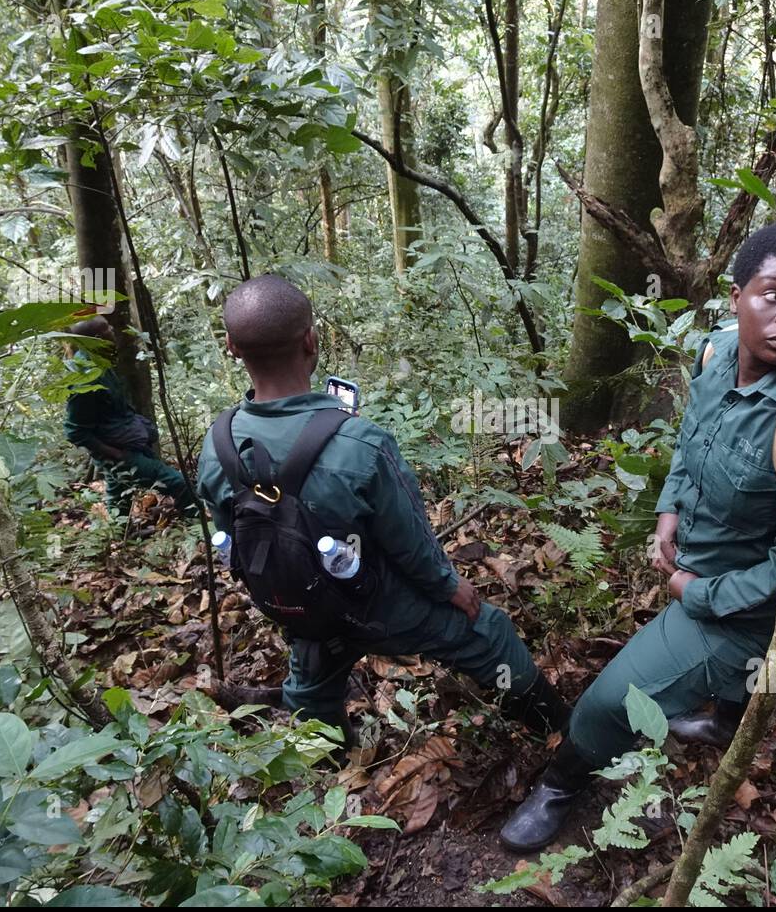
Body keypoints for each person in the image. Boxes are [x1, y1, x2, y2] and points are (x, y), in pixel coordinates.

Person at [500, 221, 776, 853]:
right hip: (702, 560)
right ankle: (722, 716)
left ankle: (560, 785)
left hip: (743, 610)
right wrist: (668, 511)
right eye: (772, 295)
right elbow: (693, 439)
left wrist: (691, 591)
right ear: (736, 296)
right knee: (696, 677)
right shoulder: (717, 351)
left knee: (608, 700)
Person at [195, 273, 568, 746]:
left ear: (231, 347)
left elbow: (230, 539)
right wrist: (451, 586)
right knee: (489, 632)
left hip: (296, 605)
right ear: (311, 340)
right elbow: (409, 541)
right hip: (375, 605)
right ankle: (560, 733)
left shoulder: (217, 441)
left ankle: (326, 757)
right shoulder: (359, 441)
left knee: (311, 676)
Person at [63, 316, 195, 516]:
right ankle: (198, 524)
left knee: (118, 500)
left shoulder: (99, 362)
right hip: (120, 454)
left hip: (125, 446)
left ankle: (117, 538)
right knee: (179, 483)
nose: (113, 332)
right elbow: (75, 431)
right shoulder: (85, 378)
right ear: (98, 338)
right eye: (108, 329)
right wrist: (118, 456)